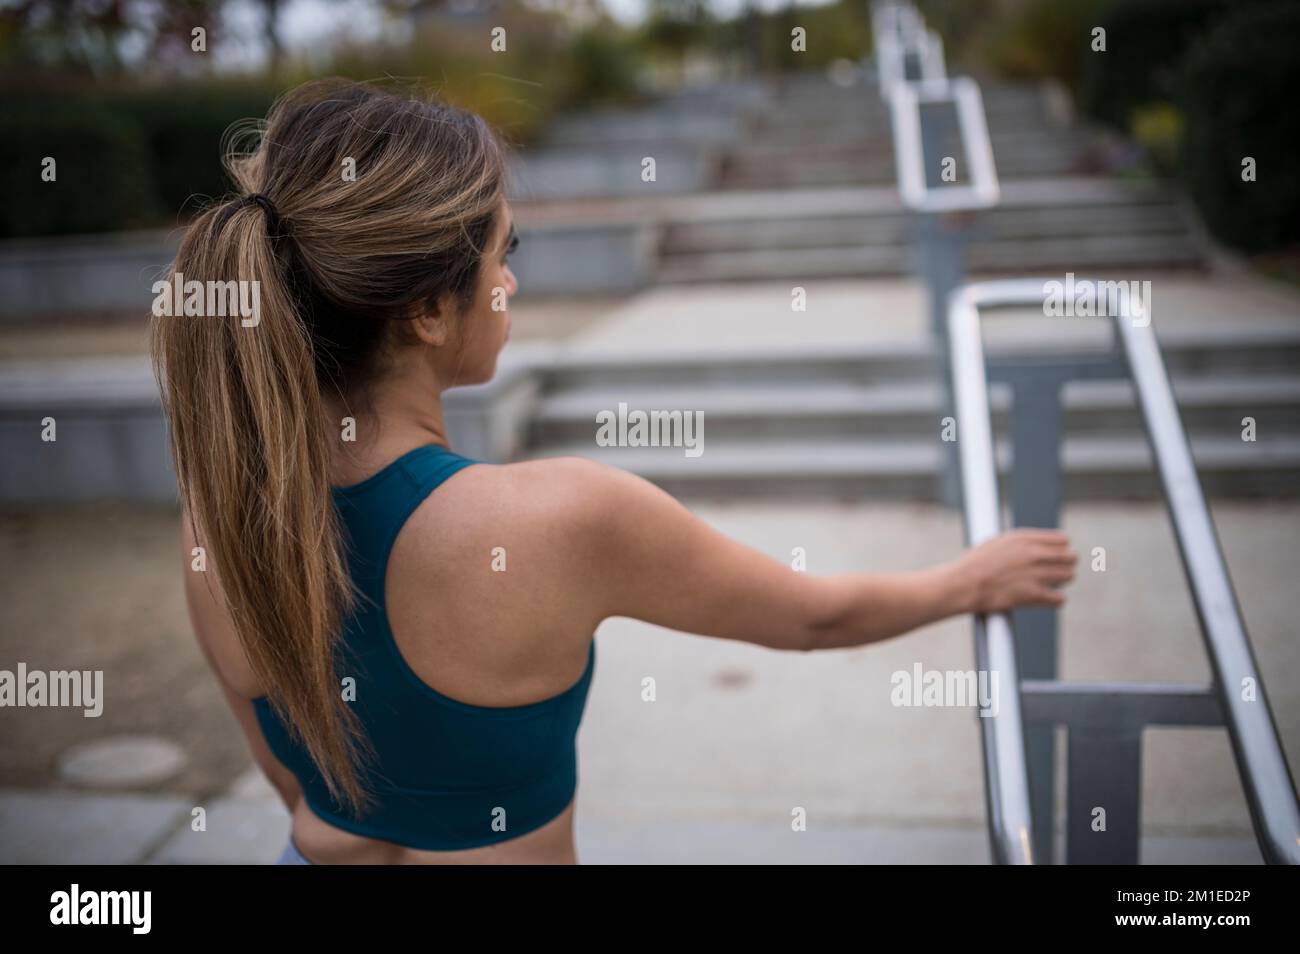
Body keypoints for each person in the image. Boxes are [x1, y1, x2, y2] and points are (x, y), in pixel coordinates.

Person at [151, 78, 1076, 865]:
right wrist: (969, 578)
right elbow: (811, 617)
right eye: (500, 255)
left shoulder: (219, 513)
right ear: (429, 310)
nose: (509, 283)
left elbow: (289, 777)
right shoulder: (559, 520)